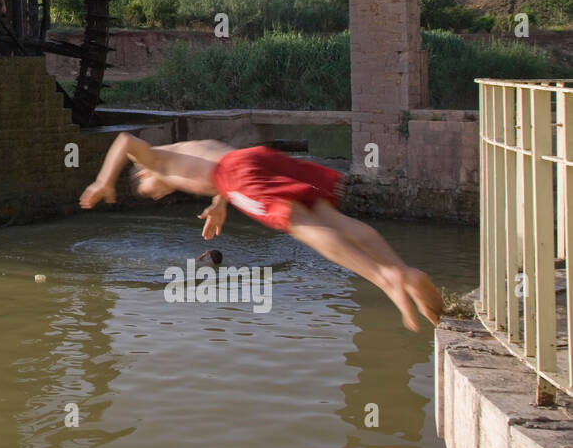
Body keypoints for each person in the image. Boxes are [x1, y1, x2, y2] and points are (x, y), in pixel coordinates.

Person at [79, 134, 443, 332]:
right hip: (250, 158)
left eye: (152, 191)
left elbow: (125, 140)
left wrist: (101, 182)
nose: (159, 195)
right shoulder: (186, 151)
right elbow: (218, 169)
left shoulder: (153, 160)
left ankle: (385, 278)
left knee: (301, 227)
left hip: (234, 174)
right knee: (332, 219)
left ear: (142, 175)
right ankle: (403, 272)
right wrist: (221, 204)